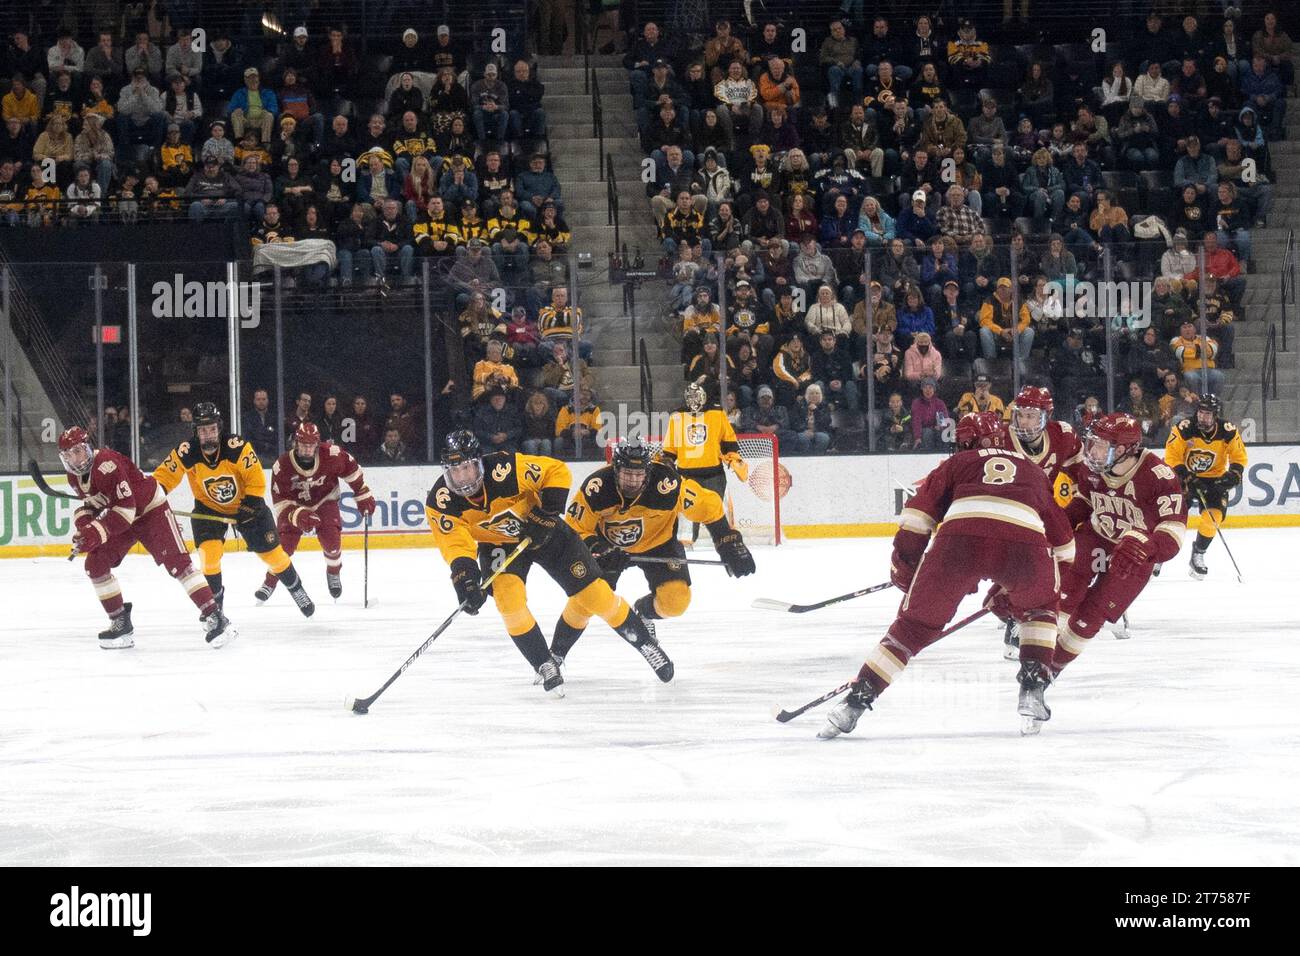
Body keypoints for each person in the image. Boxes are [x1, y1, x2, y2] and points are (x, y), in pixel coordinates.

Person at [819, 412, 1074, 739]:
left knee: (911, 629)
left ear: (966, 441)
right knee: (1041, 609)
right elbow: (1065, 547)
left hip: (957, 545)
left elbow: (916, 519)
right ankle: (1033, 688)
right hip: (1024, 548)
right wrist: (1020, 591)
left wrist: (908, 568)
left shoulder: (954, 465)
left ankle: (854, 702)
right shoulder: (1034, 472)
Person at [424, 431, 669, 697]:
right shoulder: (441, 502)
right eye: (455, 472)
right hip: (498, 545)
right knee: (508, 600)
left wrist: (546, 515)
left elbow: (556, 471)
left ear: (479, 463)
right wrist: (466, 579)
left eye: (467, 469)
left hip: (545, 531)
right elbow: (455, 544)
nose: (463, 479)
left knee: (594, 594)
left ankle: (645, 644)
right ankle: (544, 663)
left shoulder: (505, 469)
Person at [553, 441, 754, 666]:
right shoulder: (597, 487)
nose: (632, 481)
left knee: (676, 602)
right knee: (587, 600)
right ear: (615, 468)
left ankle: (644, 612)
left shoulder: (667, 484)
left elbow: (709, 505)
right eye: (627, 473)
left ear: (648, 472)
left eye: (638, 474)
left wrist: (726, 540)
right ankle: (556, 655)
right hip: (610, 549)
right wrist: (598, 549)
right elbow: (575, 528)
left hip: (659, 543)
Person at [56, 426, 234, 649]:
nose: (76, 458)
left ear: (88, 447)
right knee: (95, 563)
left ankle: (216, 617)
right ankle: (120, 622)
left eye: (79, 451)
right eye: (69, 454)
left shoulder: (106, 465)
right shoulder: (74, 476)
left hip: (151, 510)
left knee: (180, 565)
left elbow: (125, 511)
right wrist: (84, 527)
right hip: (123, 515)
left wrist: (95, 532)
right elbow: (92, 504)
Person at [1052, 414, 1188, 678]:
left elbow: (1173, 532)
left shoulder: (1158, 476)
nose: (1093, 451)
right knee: (1065, 587)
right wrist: (1060, 526)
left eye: (1102, 445)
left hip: (1134, 555)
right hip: (1096, 537)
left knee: (1090, 616)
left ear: (1124, 449)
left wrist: (1147, 547)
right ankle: (1041, 653)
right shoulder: (1092, 469)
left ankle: (1051, 669)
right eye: (1092, 443)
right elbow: (1086, 500)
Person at [153, 402, 315, 616]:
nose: (208, 435)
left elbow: (256, 480)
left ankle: (297, 589)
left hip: (248, 506)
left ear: (219, 428)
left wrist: (249, 506)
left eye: (212, 429)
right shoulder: (187, 451)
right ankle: (214, 608)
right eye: (203, 430)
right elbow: (163, 478)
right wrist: (149, 498)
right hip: (208, 510)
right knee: (209, 557)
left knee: (273, 556)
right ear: (196, 432)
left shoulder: (236, 447)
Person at [257, 422, 377, 603]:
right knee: (285, 547)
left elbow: (351, 469)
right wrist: (297, 515)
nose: (307, 449)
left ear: (317, 444)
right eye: (304, 445)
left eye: (311, 445)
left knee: (332, 542)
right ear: (296, 443)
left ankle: (333, 571)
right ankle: (270, 581)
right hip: (295, 507)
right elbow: (281, 503)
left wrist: (362, 492)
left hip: (324, 500)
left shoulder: (331, 454)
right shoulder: (282, 466)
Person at [1163, 394, 1247, 580]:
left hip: (1214, 480)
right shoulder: (1185, 428)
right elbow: (1172, 456)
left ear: (1215, 415)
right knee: (1172, 516)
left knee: (1213, 517)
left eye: (1208, 414)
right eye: (1201, 413)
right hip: (1186, 477)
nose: (1203, 417)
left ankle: (1198, 553)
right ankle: (1158, 555)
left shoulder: (1228, 431)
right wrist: (1185, 476)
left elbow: (1239, 458)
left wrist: (1232, 475)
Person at [661, 383, 750, 545]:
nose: (693, 400)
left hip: (714, 475)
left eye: (696, 397)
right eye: (690, 397)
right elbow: (670, 449)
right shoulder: (677, 416)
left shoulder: (717, 413)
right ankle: (684, 549)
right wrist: (665, 464)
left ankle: (729, 545)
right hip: (686, 477)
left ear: (704, 397)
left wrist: (733, 456)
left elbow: (728, 440)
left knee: (719, 513)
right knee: (686, 518)